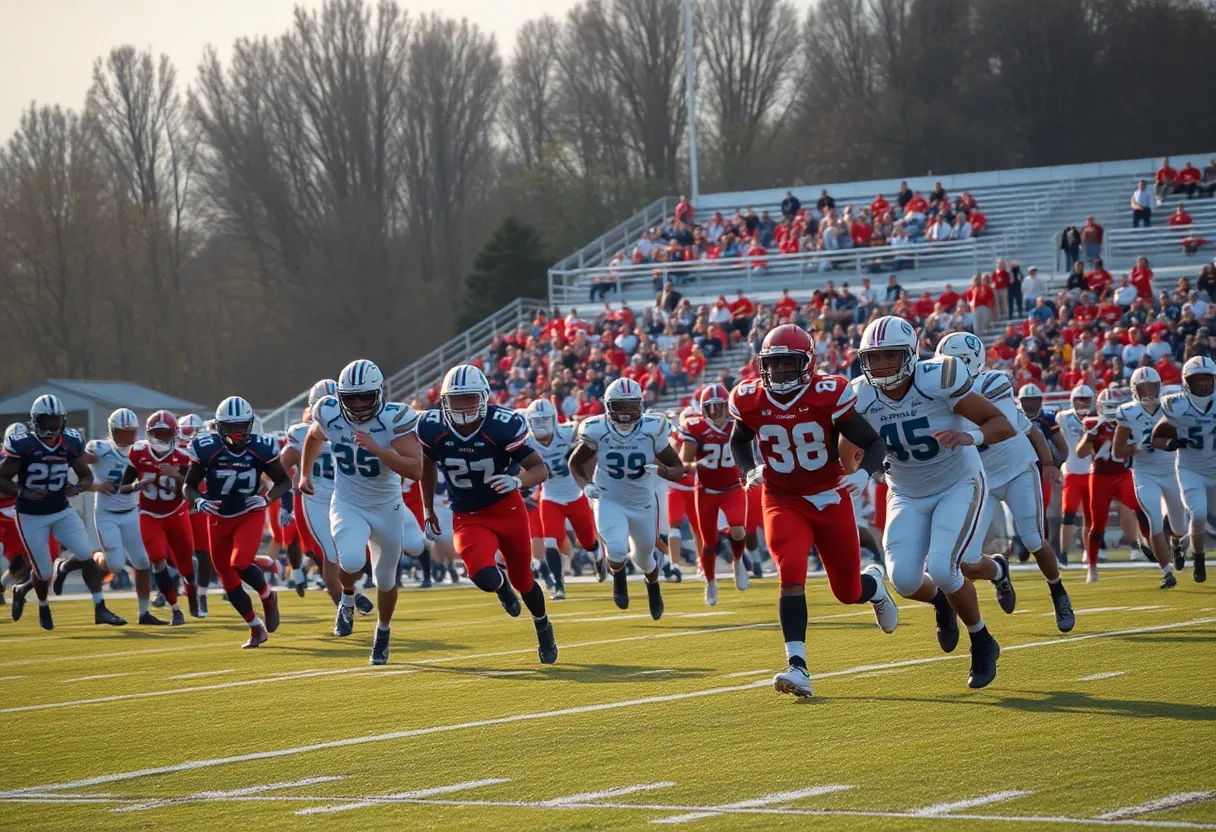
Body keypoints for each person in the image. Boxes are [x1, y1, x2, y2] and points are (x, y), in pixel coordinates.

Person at [727, 324, 896, 698]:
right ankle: (797, 665)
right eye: (774, 365)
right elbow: (739, 438)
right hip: (782, 497)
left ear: (807, 364)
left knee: (848, 591)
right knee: (790, 572)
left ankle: (875, 587)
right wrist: (747, 470)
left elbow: (873, 441)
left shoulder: (828, 392)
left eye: (789, 365)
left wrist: (866, 474)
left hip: (828, 495)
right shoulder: (749, 398)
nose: (780, 373)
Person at [852, 316, 1015, 689]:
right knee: (905, 580)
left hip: (957, 482)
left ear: (910, 355)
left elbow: (1000, 423)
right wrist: (855, 474)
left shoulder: (938, 378)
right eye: (873, 358)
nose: (881, 367)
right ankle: (942, 602)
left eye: (890, 357)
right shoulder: (861, 394)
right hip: (905, 490)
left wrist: (969, 436)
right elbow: (849, 449)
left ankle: (982, 640)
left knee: (943, 567)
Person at [416, 366, 557, 663]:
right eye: (457, 399)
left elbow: (540, 468)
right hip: (467, 514)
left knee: (524, 580)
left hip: (508, 509)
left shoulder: (502, 425)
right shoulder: (431, 426)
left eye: (470, 398)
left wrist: (517, 481)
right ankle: (500, 586)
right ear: (444, 401)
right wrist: (427, 507)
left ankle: (543, 624)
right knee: (483, 576)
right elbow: (426, 467)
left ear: (484, 398)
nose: (464, 406)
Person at [936, 334, 1074, 632]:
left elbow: (1019, 429)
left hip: (1017, 471)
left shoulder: (992, 384)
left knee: (1034, 539)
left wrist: (1048, 463)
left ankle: (1058, 591)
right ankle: (999, 571)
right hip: (981, 480)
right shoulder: (939, 395)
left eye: (952, 363)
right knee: (966, 561)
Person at [300, 360, 423, 664]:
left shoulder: (393, 419)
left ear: (378, 393)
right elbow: (313, 437)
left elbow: (416, 469)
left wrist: (379, 450)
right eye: (350, 397)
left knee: (385, 579)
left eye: (364, 396)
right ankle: (347, 599)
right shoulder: (329, 412)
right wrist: (304, 474)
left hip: (386, 506)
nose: (356, 404)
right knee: (352, 559)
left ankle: (382, 633)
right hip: (347, 502)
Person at [0, 395, 123, 630]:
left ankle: (100, 608)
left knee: (86, 554)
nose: (51, 426)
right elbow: (2, 478)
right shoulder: (24, 444)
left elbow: (86, 475)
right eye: (46, 420)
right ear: (36, 421)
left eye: (55, 420)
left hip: (60, 509)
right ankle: (42, 604)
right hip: (31, 515)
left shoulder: (70, 441)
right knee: (44, 572)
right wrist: (22, 491)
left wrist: (75, 488)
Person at [569, 378, 687, 620]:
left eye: (630, 406)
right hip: (609, 497)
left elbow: (678, 467)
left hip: (642, 501)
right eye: (619, 406)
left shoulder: (652, 430)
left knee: (644, 558)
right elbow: (575, 462)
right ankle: (619, 579)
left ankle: (653, 587)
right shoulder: (597, 429)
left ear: (640, 405)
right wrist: (585, 485)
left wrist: (661, 471)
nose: (624, 413)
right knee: (616, 548)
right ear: (608, 406)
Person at [184, 398, 291, 648]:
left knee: (240, 562)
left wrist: (266, 500)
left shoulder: (262, 447)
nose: (236, 433)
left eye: (242, 426)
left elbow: (284, 482)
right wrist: (198, 501)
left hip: (248, 512)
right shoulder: (206, 447)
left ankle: (267, 596)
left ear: (250, 424)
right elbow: (188, 485)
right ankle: (256, 628)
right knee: (228, 580)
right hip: (217, 515)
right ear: (219, 427)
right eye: (230, 427)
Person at [281, 380, 374, 613]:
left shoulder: (351, 429)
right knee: (331, 554)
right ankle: (343, 607)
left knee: (354, 552)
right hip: (317, 498)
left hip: (347, 496)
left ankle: (351, 591)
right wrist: (296, 478)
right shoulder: (302, 433)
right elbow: (279, 465)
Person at [80, 409, 162, 624]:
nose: (127, 437)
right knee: (115, 565)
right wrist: (96, 485)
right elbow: (76, 467)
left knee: (143, 561)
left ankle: (144, 613)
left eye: (131, 433)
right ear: (112, 431)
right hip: (107, 514)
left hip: (132, 512)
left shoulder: (143, 449)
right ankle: (94, 557)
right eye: (122, 433)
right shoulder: (99, 448)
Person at [119, 410, 198, 623]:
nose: (162, 438)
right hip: (149, 514)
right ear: (149, 433)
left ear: (174, 433)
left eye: (166, 434)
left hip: (176, 512)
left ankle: (193, 595)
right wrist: (137, 485)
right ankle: (175, 609)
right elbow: (122, 488)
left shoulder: (183, 455)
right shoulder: (138, 452)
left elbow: (193, 487)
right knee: (157, 561)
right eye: (158, 433)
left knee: (186, 565)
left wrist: (177, 475)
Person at [1113, 367, 1187, 589]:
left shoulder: (1171, 407)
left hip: (1173, 471)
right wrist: (1137, 446)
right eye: (1142, 387)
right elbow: (1118, 451)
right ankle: (1167, 572)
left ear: (1159, 386)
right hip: (1145, 474)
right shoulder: (1128, 412)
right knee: (1154, 519)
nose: (1147, 392)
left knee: (1181, 527)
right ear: (1134, 390)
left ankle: (1175, 542)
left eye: (1150, 387)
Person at [525, 398, 604, 599]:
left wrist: (587, 480)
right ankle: (559, 586)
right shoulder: (528, 442)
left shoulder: (568, 432)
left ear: (554, 420)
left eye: (544, 420)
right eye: (536, 421)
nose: (540, 425)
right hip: (550, 497)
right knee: (550, 541)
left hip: (576, 494)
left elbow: (589, 443)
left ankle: (597, 557)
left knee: (587, 541)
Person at [680, 385, 749, 607]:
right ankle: (710, 582)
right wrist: (696, 464)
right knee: (709, 541)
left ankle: (737, 561)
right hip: (706, 491)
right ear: (703, 409)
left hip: (732, 487)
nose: (717, 412)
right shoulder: (695, 427)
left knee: (738, 530)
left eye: (721, 407)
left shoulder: (737, 424)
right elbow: (683, 463)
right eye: (712, 408)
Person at [1075, 388, 1150, 585]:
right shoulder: (1094, 425)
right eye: (1109, 407)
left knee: (1141, 509)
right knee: (1097, 525)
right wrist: (1089, 435)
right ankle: (1091, 566)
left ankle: (1149, 545)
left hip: (1123, 475)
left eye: (1116, 407)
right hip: (1100, 478)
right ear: (1100, 407)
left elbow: (1137, 448)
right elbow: (1081, 453)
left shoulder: (1127, 424)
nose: (1112, 411)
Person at [1152, 356, 1216, 584]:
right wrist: (1171, 444)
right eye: (1198, 379)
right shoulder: (1176, 405)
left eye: (1208, 378)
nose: (1204, 384)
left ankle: (1180, 544)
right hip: (1191, 470)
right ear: (1187, 382)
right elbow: (1156, 438)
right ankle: (1199, 558)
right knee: (1197, 515)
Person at [1056, 386, 1095, 567]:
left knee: (1089, 516)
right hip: (1072, 472)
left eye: (1086, 399)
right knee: (1068, 515)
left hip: (1091, 473)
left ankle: (1088, 552)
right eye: (1079, 399)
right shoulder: (1063, 417)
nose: (1082, 402)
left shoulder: (1096, 419)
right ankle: (1063, 553)